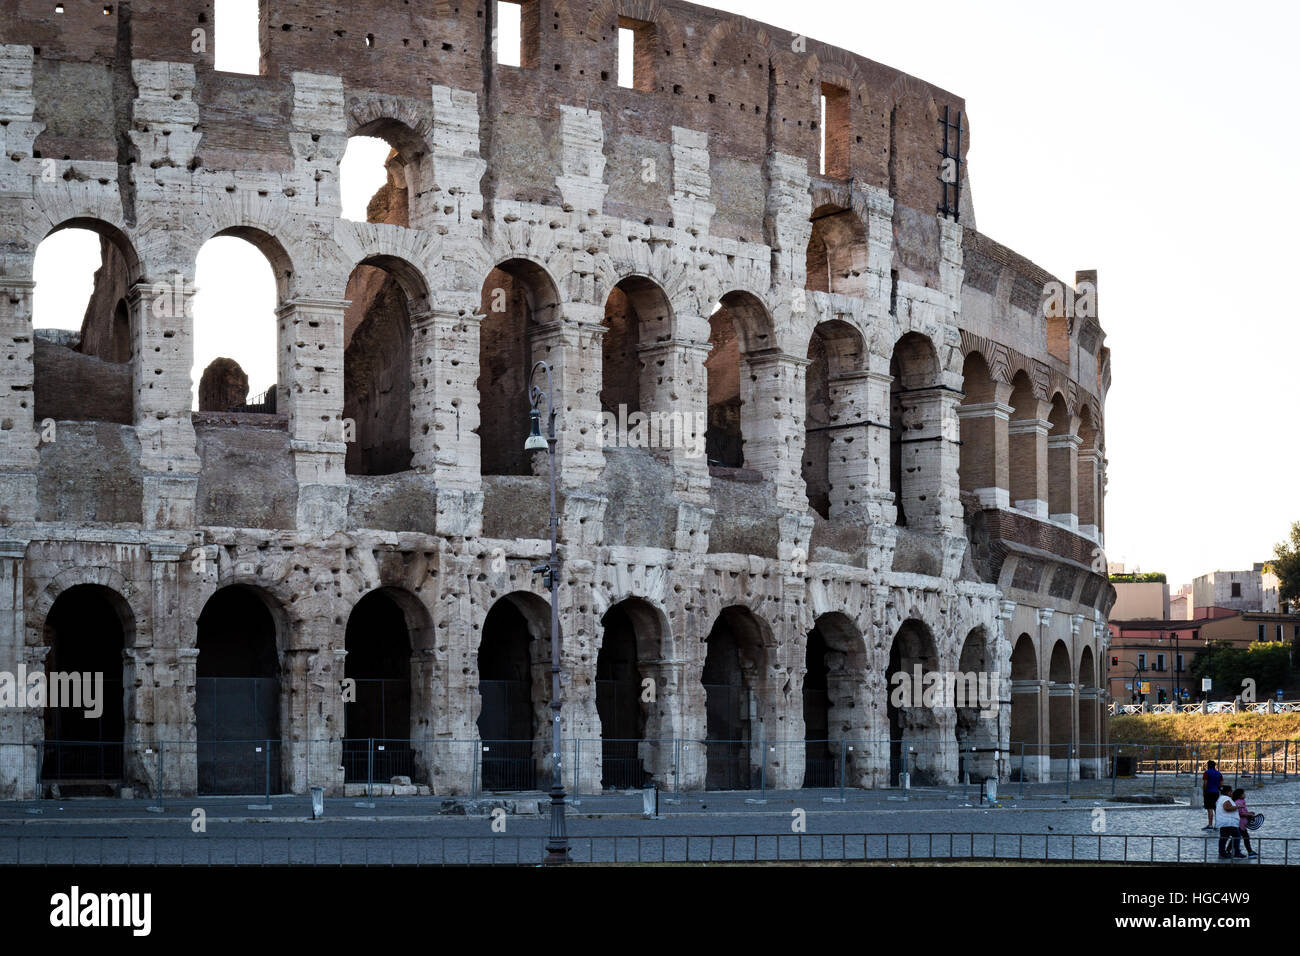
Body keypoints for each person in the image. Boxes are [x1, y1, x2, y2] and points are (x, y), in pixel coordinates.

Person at [1216, 784, 1245, 859]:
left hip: (1225, 822)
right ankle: (1236, 852)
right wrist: (1238, 807)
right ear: (1228, 792)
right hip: (1229, 823)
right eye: (1231, 791)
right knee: (1236, 836)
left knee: (1224, 838)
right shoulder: (1225, 798)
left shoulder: (1221, 798)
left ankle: (1222, 853)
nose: (1232, 792)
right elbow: (1227, 808)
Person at [1233, 788, 1258, 858]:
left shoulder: (1242, 801)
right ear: (1240, 795)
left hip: (1243, 824)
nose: (1245, 795)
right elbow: (1240, 813)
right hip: (1240, 824)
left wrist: (1250, 813)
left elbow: (1244, 812)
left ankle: (1229, 850)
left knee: (1237, 838)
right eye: (1243, 793)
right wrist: (1249, 814)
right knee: (1245, 837)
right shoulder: (1238, 802)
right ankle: (1250, 852)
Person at [1202, 760, 1223, 830]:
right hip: (1216, 792)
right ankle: (1218, 824)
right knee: (1216, 809)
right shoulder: (1219, 773)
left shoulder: (1206, 773)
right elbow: (1221, 784)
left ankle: (1210, 825)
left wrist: (1204, 791)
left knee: (1210, 809)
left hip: (1209, 792)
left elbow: (1205, 783)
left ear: (1208, 765)